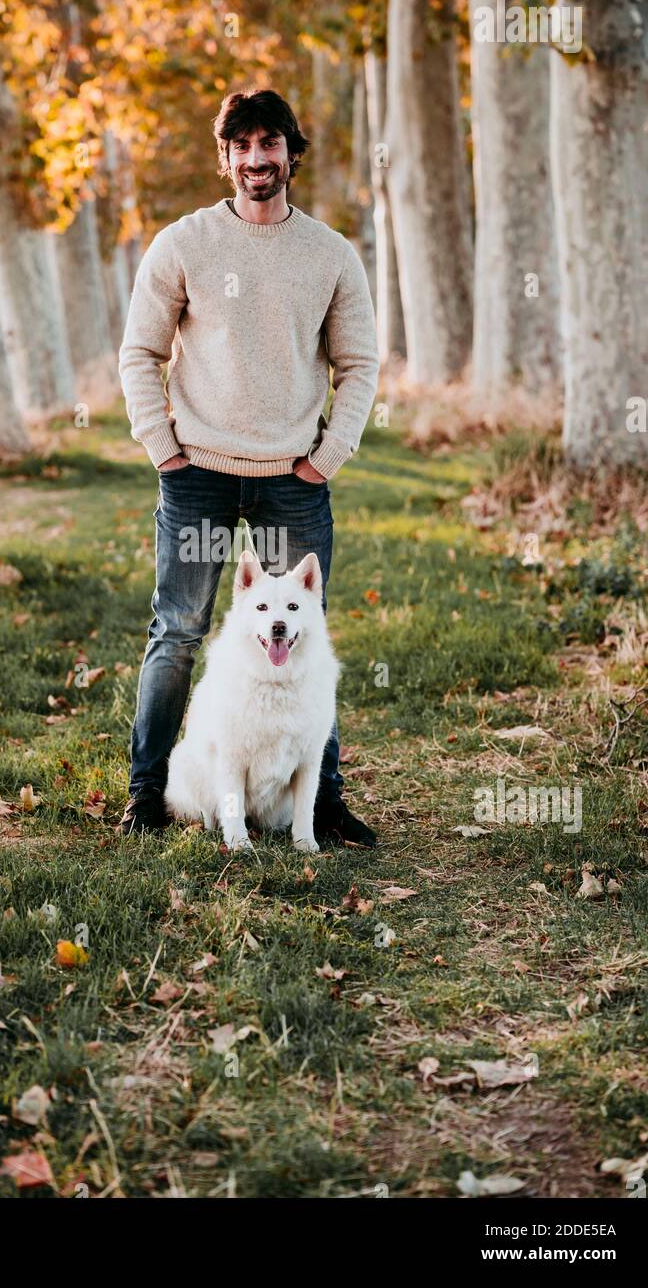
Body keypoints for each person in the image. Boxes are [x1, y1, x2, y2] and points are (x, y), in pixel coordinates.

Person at [118, 87, 380, 847]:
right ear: (226, 157)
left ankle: (321, 804)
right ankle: (147, 796)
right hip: (195, 470)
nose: (256, 160)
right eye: (242, 147)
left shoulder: (330, 255)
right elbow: (141, 351)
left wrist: (326, 458)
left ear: (291, 154)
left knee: (304, 632)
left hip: (290, 480)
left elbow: (358, 364)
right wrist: (161, 446)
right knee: (179, 631)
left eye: (270, 145)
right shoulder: (183, 244)